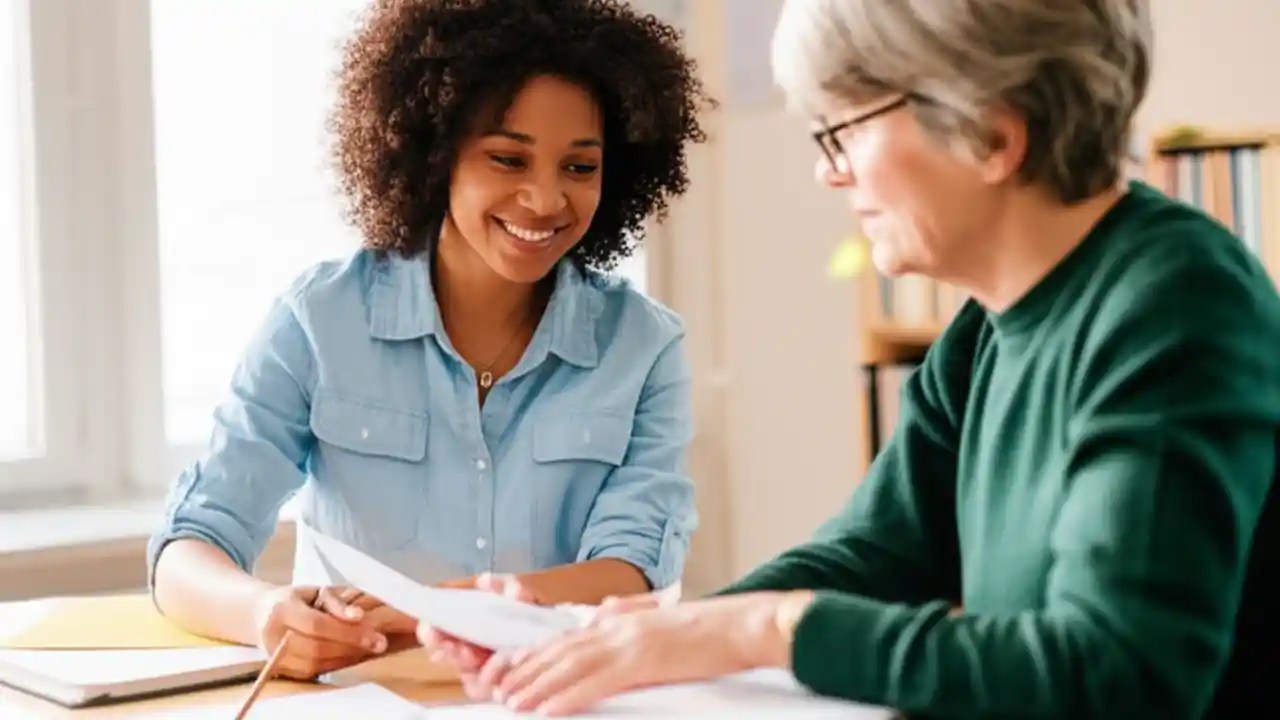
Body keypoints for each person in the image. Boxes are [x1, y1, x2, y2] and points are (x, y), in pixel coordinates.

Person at [423, 0, 1280, 717]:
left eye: (841, 131)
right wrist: (612, 638)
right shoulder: (985, 332)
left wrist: (768, 630)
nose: (831, 175)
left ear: (989, 132)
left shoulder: (1175, 304)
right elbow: (871, 560)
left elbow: (1117, 673)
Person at [147, 0, 712, 681]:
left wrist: (443, 612)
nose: (544, 199)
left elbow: (630, 573)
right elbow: (189, 546)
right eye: (508, 159)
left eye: (579, 168)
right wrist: (264, 614)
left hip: (546, 699)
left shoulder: (643, 346)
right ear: (436, 152)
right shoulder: (318, 322)